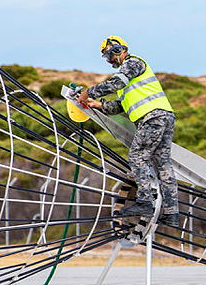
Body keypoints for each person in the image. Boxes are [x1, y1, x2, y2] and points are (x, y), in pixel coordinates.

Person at [77, 35, 181, 227]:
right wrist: (98, 104)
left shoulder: (133, 64)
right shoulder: (129, 80)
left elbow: (115, 83)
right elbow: (120, 106)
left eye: (109, 56)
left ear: (118, 50)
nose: (110, 61)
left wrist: (88, 92)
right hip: (164, 117)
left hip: (152, 117)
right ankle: (171, 213)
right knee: (162, 163)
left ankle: (145, 202)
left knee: (137, 156)